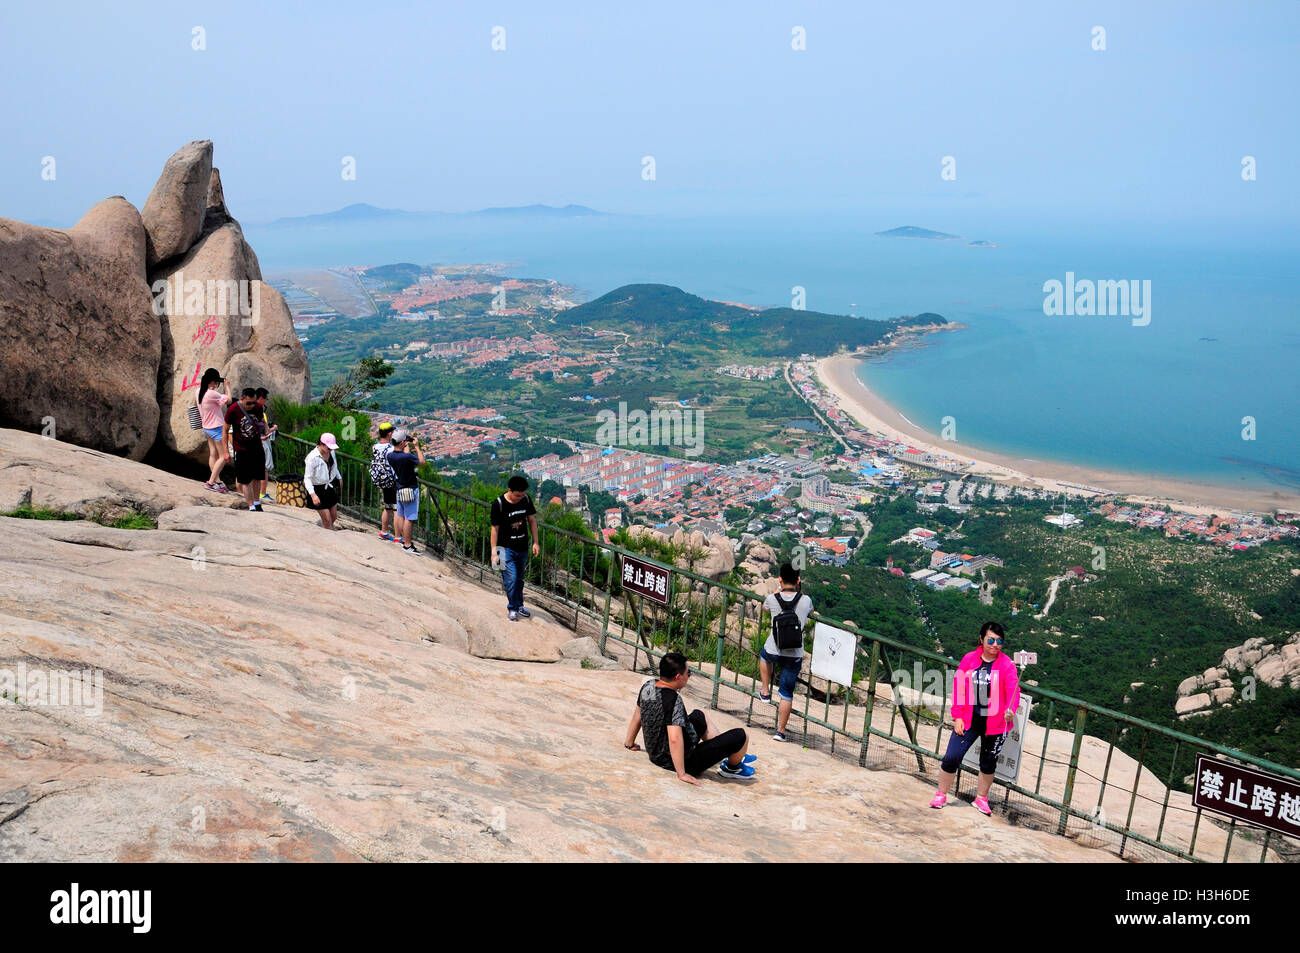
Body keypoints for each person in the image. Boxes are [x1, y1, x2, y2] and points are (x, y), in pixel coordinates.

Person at [929, 621, 1021, 816]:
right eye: (991, 640)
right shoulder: (970, 659)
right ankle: (941, 794)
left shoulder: (1007, 665)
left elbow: (1014, 691)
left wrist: (1010, 710)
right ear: (981, 639)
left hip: (996, 722)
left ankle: (981, 798)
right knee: (952, 756)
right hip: (970, 718)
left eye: (999, 641)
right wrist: (957, 716)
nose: (995, 644)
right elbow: (958, 687)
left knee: (988, 762)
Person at [624, 652, 754, 782]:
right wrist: (682, 773)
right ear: (678, 677)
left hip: (656, 753)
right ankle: (732, 768)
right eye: (688, 673)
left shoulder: (649, 686)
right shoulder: (673, 700)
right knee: (742, 735)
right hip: (681, 762)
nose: (689, 676)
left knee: (699, 715)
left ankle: (728, 752)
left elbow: (638, 715)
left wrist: (629, 743)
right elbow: (674, 739)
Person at [758, 562, 813, 742]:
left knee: (764, 655)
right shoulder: (805, 600)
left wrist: (776, 592)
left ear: (780, 580)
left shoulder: (772, 599)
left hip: (775, 648)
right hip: (794, 654)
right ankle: (780, 732)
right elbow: (811, 611)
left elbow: (765, 608)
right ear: (798, 581)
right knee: (786, 693)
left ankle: (765, 691)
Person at [490, 475, 539, 621]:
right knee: (511, 579)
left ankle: (519, 605)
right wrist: (494, 552)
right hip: (504, 549)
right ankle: (512, 607)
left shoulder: (526, 499)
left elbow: (532, 520)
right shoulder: (498, 504)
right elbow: (494, 529)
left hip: (522, 546)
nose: (520, 498)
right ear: (509, 490)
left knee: (519, 580)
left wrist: (536, 542)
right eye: (517, 495)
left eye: (522, 494)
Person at [225, 388, 267, 512]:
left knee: (257, 477)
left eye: (254, 402)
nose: (252, 406)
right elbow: (225, 430)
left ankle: (257, 502)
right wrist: (226, 451)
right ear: (242, 399)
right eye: (249, 403)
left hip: (257, 447)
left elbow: (262, 421)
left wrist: (265, 428)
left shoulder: (258, 407)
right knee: (246, 480)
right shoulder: (233, 410)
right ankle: (251, 506)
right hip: (242, 450)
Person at [386, 429, 426, 554]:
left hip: (400, 489)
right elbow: (422, 462)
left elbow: (405, 457)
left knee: (400, 515)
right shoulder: (407, 457)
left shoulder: (390, 456)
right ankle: (408, 545)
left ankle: (402, 539)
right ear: (402, 442)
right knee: (409, 518)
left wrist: (406, 446)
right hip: (411, 489)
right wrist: (417, 447)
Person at [196, 369, 232, 492]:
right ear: (212, 381)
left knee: (213, 454)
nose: (217, 384)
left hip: (206, 427)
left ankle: (217, 481)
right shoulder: (212, 394)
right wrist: (227, 387)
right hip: (216, 428)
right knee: (223, 457)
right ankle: (211, 482)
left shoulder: (198, 392)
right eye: (216, 382)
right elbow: (229, 400)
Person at [303, 433, 343, 529]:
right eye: (329, 448)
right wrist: (313, 495)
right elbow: (307, 478)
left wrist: (339, 477)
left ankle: (324, 528)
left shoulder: (331, 452)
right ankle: (328, 537)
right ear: (321, 444)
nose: (331, 450)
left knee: (333, 517)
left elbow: (333, 466)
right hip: (317, 489)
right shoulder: (312, 458)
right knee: (327, 520)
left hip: (328, 486)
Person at [370, 421, 399, 542]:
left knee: (387, 506)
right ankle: (398, 536)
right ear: (390, 433)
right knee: (397, 509)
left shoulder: (375, 446)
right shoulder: (391, 449)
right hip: (392, 479)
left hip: (381, 479)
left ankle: (384, 531)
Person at [253, 387, 277, 503]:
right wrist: (274, 428)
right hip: (263, 441)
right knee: (265, 469)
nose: (266, 401)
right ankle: (262, 493)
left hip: (255, 441)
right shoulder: (259, 411)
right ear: (261, 398)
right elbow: (265, 431)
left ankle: (256, 492)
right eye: (266, 398)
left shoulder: (251, 408)